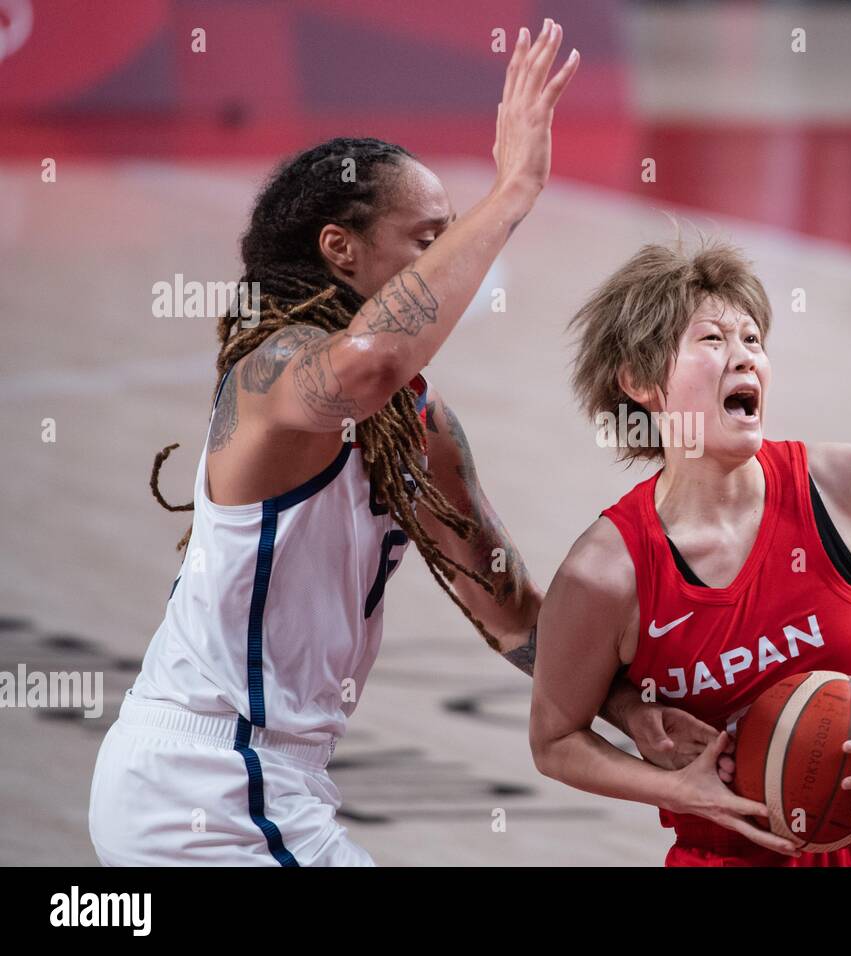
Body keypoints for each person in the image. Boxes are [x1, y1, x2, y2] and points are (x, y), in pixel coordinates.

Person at [88, 20, 717, 866]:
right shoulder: (267, 375)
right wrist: (513, 190)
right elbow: (370, 360)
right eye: (431, 239)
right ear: (340, 251)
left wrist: (623, 707)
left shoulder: (418, 425)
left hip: (269, 783)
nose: (456, 259)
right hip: (206, 785)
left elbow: (508, 611)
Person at [530, 237, 851, 866]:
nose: (745, 359)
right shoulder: (606, 571)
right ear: (642, 381)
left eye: (753, 340)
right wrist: (678, 790)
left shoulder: (848, 485)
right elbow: (554, 740)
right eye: (713, 340)